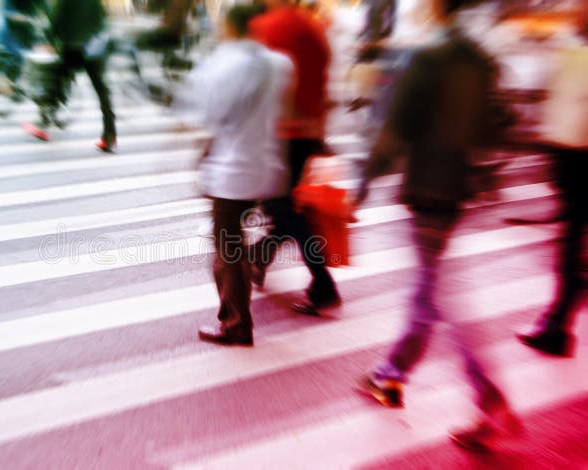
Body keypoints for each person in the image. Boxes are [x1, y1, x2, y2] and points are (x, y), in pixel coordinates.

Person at [353, 0, 522, 451]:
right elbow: (498, 125)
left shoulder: (427, 60)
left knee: (438, 297)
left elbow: (396, 129)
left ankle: (488, 398)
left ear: (435, 7)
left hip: (428, 188)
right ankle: (391, 374)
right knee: (429, 290)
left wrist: (364, 182)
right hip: (458, 191)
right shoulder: (481, 60)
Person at [174, 4, 293, 346]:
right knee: (234, 248)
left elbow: (203, 118)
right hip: (266, 169)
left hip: (230, 173)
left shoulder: (220, 66)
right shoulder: (280, 64)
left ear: (228, 26)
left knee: (227, 254)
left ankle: (236, 325)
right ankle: (237, 317)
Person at [247, 0, 340, 315]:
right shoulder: (312, 26)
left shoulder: (272, 26)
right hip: (307, 132)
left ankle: (323, 284)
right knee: (284, 207)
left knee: (283, 209)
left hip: (282, 134)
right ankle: (259, 257)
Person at [517, 4, 588, 357]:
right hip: (574, 162)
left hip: (579, 161)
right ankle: (557, 323)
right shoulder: (574, 54)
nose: (576, 11)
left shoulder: (578, 58)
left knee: (571, 248)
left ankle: (558, 325)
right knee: (571, 247)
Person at [24, 0, 117, 152]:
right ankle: (109, 134)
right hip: (94, 47)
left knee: (56, 77)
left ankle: (43, 124)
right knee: (101, 89)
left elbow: (56, 19)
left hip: (73, 47)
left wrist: (49, 39)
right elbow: (101, 17)